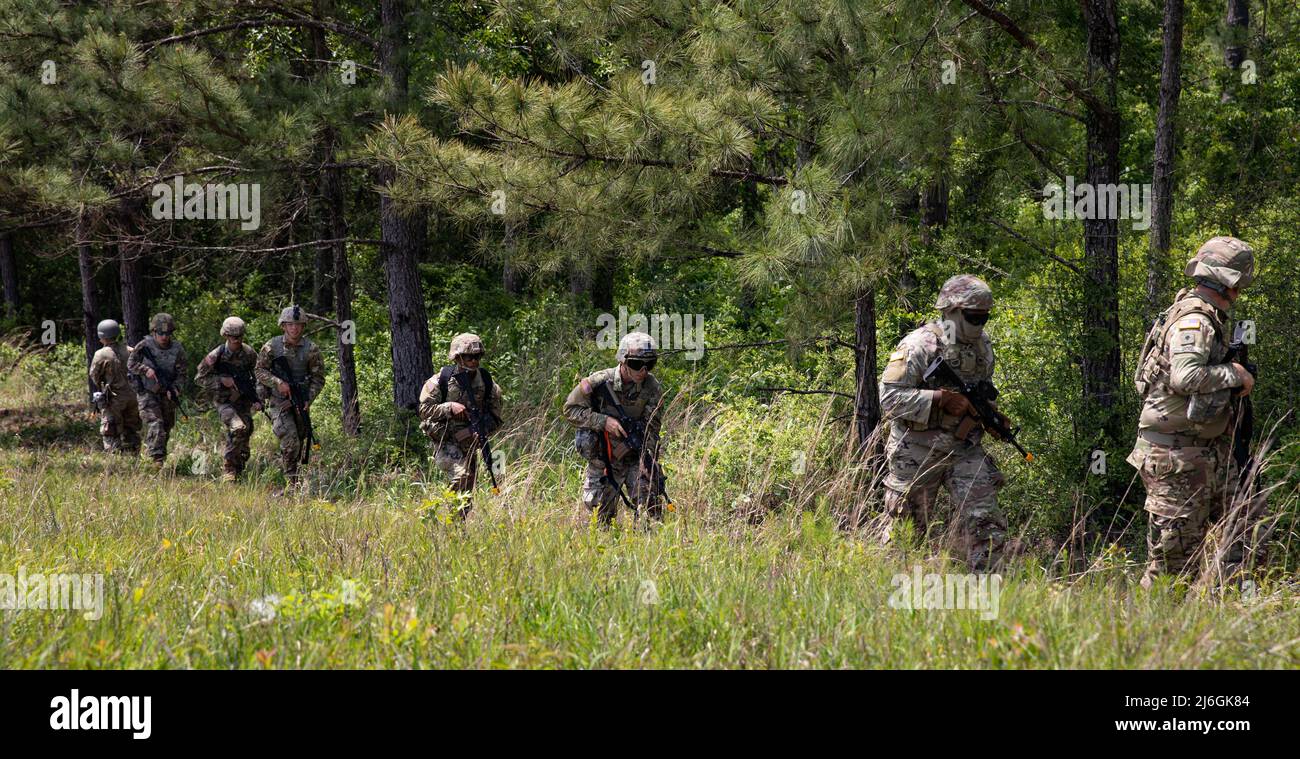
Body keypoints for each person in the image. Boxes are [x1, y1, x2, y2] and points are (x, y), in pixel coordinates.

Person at [1127, 236, 1257, 588]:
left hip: (1204, 451)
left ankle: (1229, 617)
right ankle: (1150, 636)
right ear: (1231, 284)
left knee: (1244, 537)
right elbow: (1186, 377)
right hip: (1176, 455)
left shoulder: (1202, 314)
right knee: (1173, 567)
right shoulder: (1195, 320)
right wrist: (1237, 374)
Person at [877, 274, 1008, 571]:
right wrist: (939, 399)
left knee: (985, 521)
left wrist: (990, 416)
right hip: (917, 452)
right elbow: (889, 399)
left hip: (964, 449)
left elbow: (981, 389)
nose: (980, 324)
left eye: (984, 317)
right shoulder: (919, 346)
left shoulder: (982, 347)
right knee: (906, 534)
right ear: (950, 311)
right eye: (974, 317)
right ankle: (898, 594)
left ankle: (989, 592)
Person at [563, 331, 669, 525]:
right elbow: (570, 410)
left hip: (635, 457)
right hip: (604, 459)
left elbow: (652, 429)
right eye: (637, 364)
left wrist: (649, 459)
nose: (643, 370)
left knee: (650, 507)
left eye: (649, 364)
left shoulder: (652, 388)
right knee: (600, 516)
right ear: (623, 360)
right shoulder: (600, 382)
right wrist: (604, 422)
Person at [417, 333, 504, 517]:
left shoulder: (487, 383)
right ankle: (448, 518)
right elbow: (424, 410)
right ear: (457, 357)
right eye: (469, 357)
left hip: (470, 443)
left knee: (467, 489)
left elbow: (495, 417)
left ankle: (457, 526)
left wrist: (478, 431)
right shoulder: (441, 381)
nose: (474, 361)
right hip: (445, 440)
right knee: (462, 476)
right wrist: (449, 407)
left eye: (477, 356)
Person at [254, 305, 325, 490]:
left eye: (298, 324)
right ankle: (291, 483)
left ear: (303, 326)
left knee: (301, 437)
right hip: (279, 401)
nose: (294, 328)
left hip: (300, 400)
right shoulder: (272, 346)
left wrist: (309, 398)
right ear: (283, 326)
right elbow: (260, 370)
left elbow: (318, 378)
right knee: (290, 438)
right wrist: (277, 382)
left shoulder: (311, 349)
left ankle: (295, 476)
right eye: (290, 325)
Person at [196, 316, 261, 482]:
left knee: (246, 431)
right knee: (237, 427)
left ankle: (238, 468)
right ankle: (229, 470)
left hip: (243, 401)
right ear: (225, 335)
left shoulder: (249, 353)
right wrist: (221, 381)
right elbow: (199, 378)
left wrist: (258, 398)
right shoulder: (216, 355)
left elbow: (259, 376)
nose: (236, 340)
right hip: (223, 401)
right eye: (232, 337)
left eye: (239, 336)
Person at [127, 313, 187, 465]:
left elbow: (182, 373)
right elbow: (131, 364)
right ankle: (156, 461)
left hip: (166, 393)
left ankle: (157, 455)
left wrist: (176, 388)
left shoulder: (177, 349)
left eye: (168, 333)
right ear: (154, 331)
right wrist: (145, 370)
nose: (164, 337)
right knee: (156, 424)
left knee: (166, 427)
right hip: (147, 393)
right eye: (161, 333)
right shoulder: (144, 346)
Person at [89, 318, 142, 455]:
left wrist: (102, 384)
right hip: (133, 397)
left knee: (110, 430)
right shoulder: (129, 350)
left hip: (114, 398)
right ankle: (133, 458)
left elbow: (94, 375)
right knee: (131, 429)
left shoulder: (100, 354)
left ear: (102, 336)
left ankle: (116, 463)